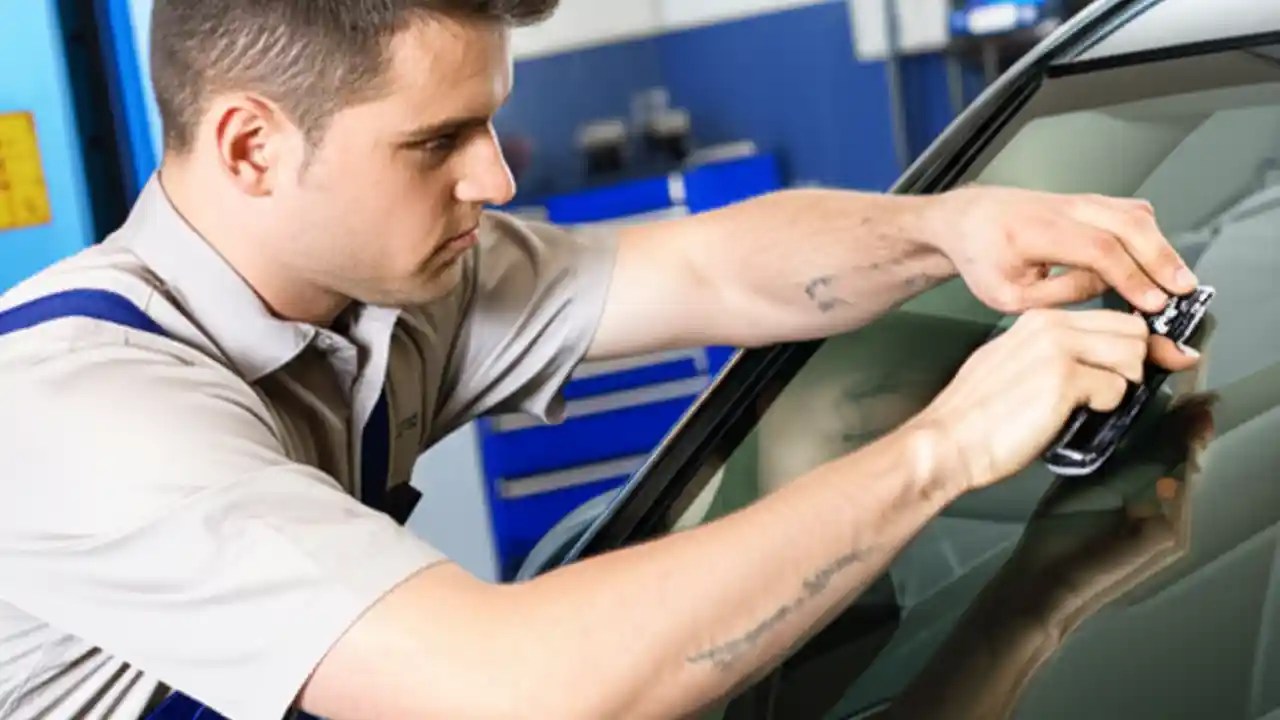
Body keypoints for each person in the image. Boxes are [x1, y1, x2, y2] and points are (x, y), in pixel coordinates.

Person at [0, 1, 1202, 718]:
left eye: (487, 120)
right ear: (252, 146)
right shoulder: (80, 411)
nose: (497, 178)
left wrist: (945, 230)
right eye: (437, 142)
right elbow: (517, 695)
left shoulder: (383, 294)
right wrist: (943, 446)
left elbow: (707, 268)